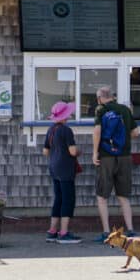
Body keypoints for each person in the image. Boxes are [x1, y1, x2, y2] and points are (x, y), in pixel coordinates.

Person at [92, 86, 139, 241]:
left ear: (100, 98)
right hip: (125, 156)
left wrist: (95, 153)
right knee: (123, 196)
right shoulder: (125, 110)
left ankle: (106, 232)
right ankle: (131, 230)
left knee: (102, 196)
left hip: (106, 157)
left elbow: (97, 131)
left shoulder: (101, 110)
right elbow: (135, 133)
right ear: (112, 96)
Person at [42, 100, 82, 244]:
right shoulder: (66, 130)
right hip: (65, 168)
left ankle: (52, 231)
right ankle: (64, 233)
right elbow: (72, 151)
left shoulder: (51, 129)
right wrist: (79, 151)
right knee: (68, 199)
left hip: (54, 167)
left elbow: (45, 151)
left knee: (58, 199)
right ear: (66, 115)